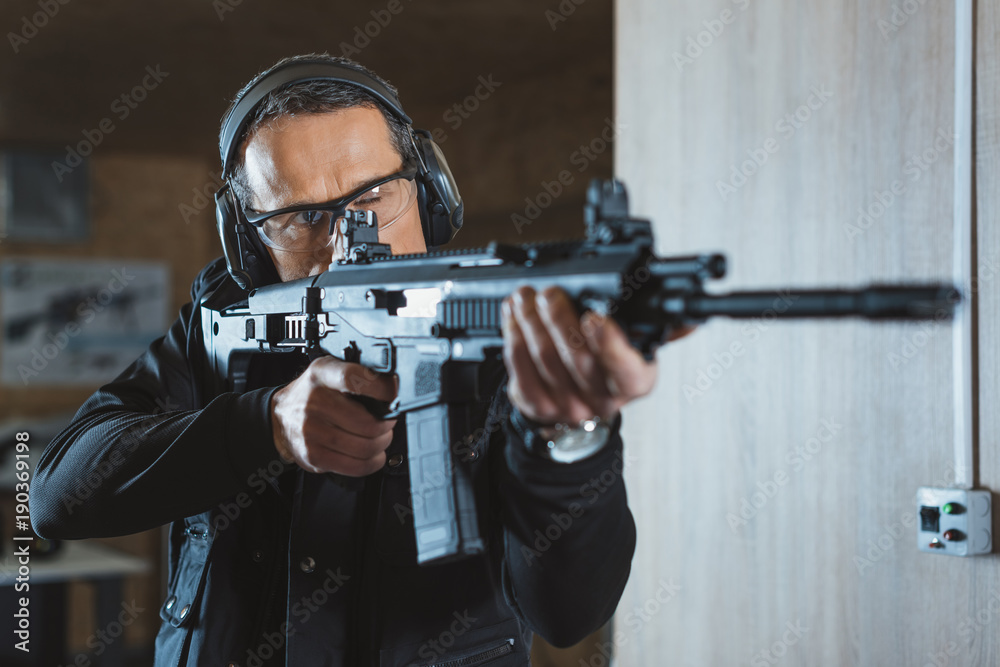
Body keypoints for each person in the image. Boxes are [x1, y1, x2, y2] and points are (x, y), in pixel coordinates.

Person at [30, 54, 683, 666]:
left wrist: (569, 437)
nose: (345, 242)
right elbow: (57, 495)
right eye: (301, 217)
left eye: (372, 198)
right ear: (249, 244)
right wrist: (263, 426)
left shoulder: (503, 345)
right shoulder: (219, 329)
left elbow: (571, 612)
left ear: (428, 192)